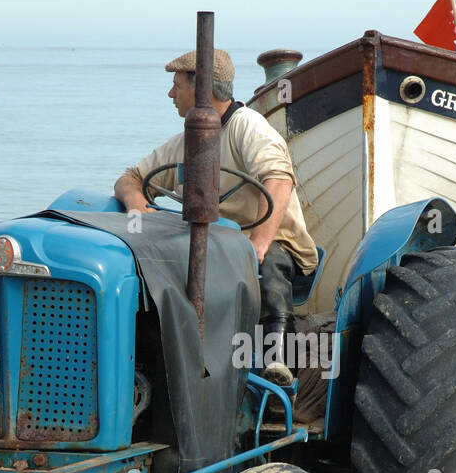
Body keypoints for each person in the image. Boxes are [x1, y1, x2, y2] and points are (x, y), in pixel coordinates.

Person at [114, 49, 317, 387]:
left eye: (176, 85)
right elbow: (130, 176)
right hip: (211, 244)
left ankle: (279, 363)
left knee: (267, 269)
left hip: (270, 240)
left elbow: (279, 179)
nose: (170, 94)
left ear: (202, 90)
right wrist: (136, 202)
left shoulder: (247, 126)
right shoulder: (185, 143)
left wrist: (260, 243)